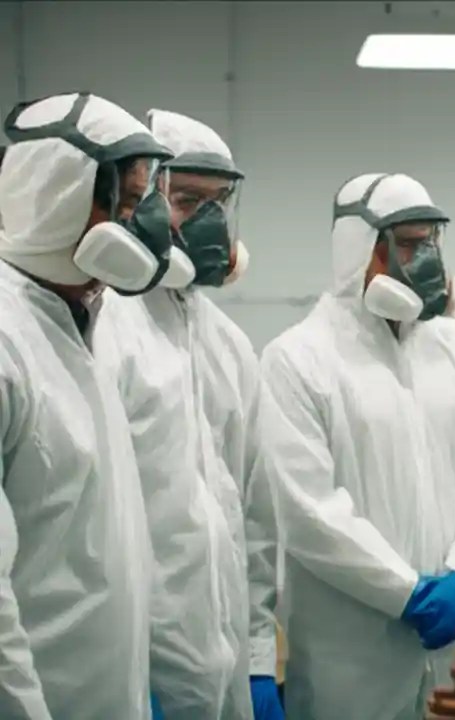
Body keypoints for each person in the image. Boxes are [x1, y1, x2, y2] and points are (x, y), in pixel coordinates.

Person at [255, 172, 455, 720]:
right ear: (360, 249)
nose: (425, 260)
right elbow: (309, 510)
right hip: (348, 659)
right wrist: (405, 594)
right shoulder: (299, 358)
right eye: (407, 244)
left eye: (430, 243)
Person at [95, 109, 280, 720]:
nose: (209, 221)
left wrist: (257, 656)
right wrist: (125, 672)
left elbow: (253, 516)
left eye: (220, 202)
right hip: (133, 663)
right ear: (140, 200)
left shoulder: (227, 343)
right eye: (187, 199)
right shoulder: (104, 330)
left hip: (221, 659)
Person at [0, 92, 176, 718]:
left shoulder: (92, 323)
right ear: (57, 196)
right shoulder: (7, 339)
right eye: (127, 204)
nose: (143, 228)